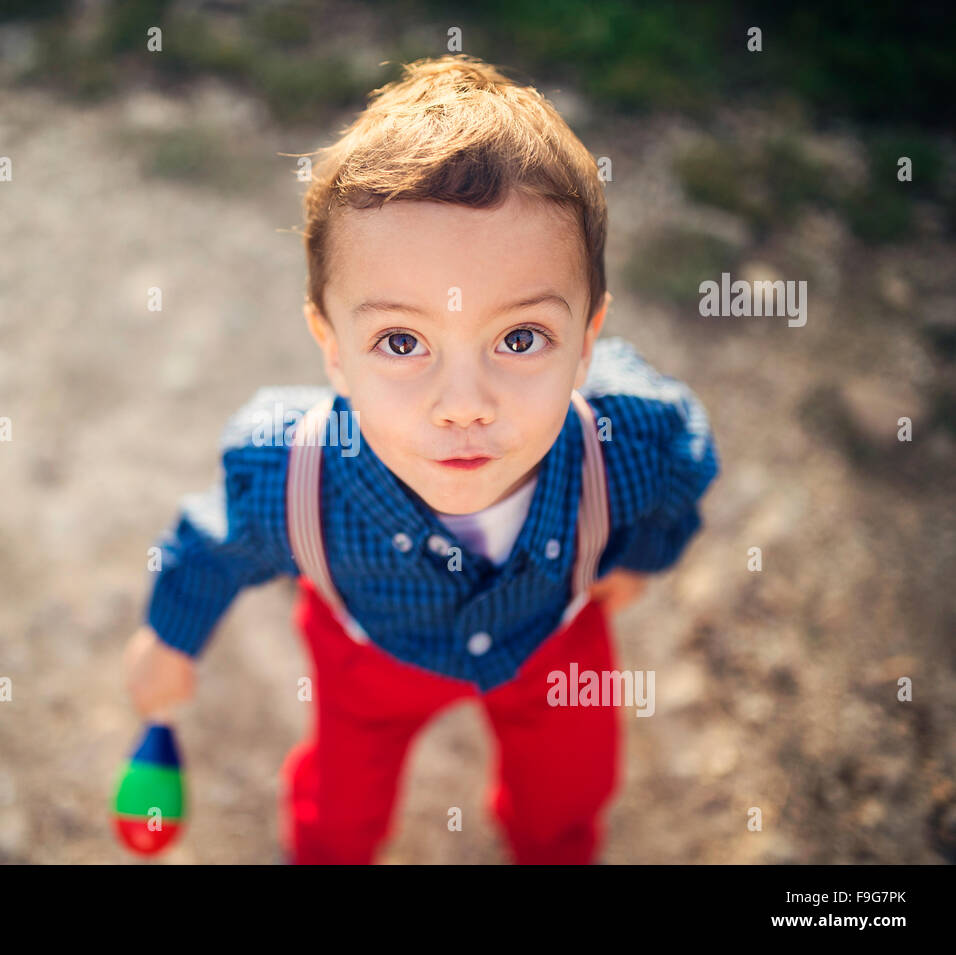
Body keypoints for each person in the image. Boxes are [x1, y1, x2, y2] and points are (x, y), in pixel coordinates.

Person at [124, 54, 719, 864]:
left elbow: (683, 475)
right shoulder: (293, 474)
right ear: (332, 349)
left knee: (571, 792)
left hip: (554, 636)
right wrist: (169, 637)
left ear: (586, 343)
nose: (463, 401)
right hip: (370, 660)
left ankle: (554, 845)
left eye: (519, 338)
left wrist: (645, 556)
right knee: (339, 809)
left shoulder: (628, 444)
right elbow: (211, 542)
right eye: (402, 342)